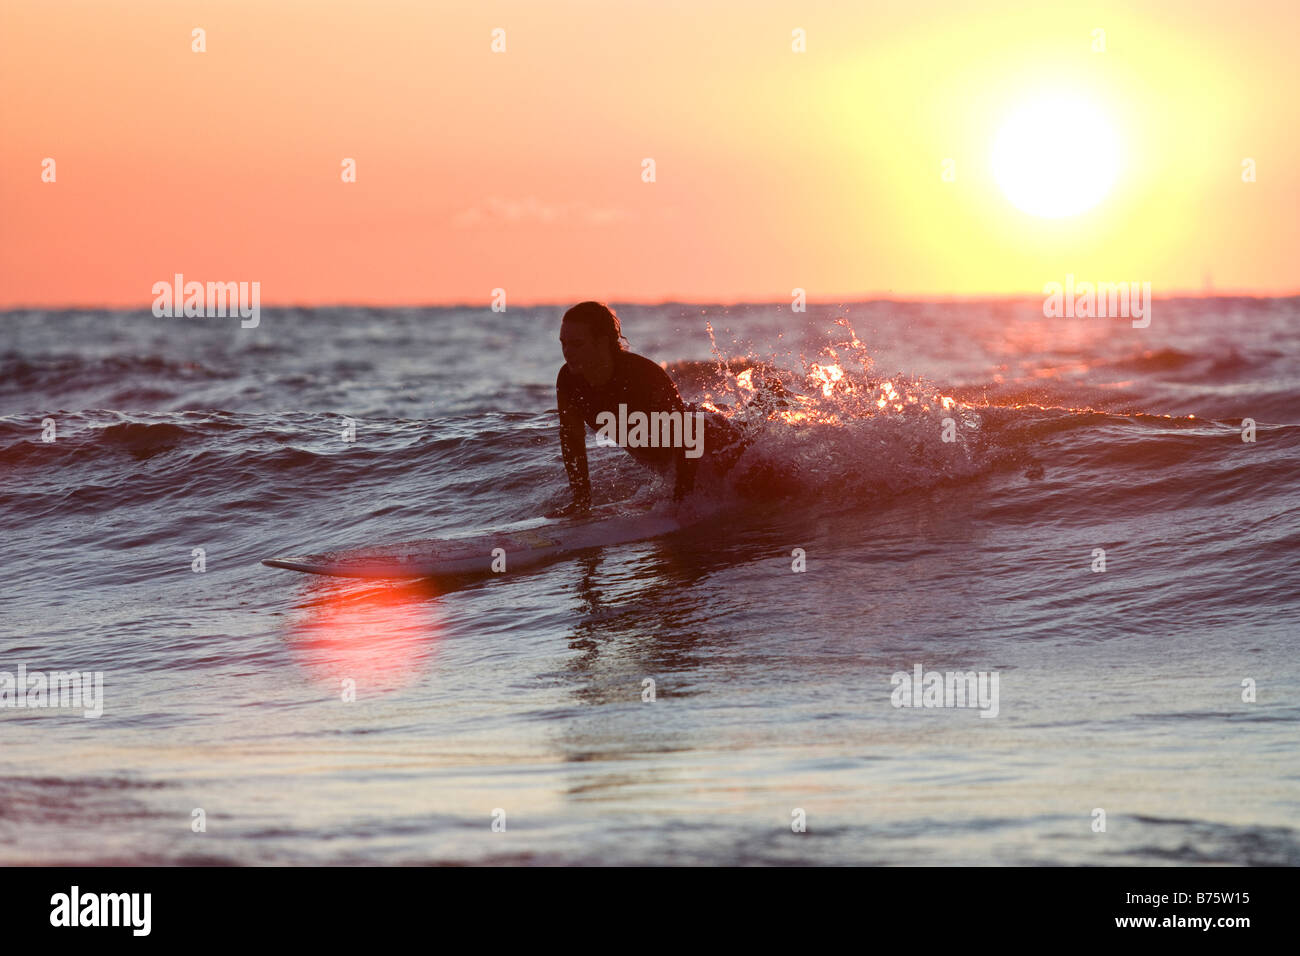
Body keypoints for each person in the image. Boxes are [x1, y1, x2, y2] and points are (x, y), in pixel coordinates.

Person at [552, 301, 747, 517]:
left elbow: (688, 436)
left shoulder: (643, 375)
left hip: (717, 445)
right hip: (678, 459)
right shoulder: (569, 380)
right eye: (563, 343)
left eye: (577, 344)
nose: (567, 352)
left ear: (602, 343)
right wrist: (581, 501)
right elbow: (572, 439)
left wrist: (681, 501)